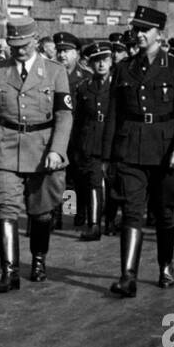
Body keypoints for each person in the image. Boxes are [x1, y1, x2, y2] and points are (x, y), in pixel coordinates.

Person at [0, 16, 73, 290]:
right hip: (4, 147)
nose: (19, 50)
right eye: (14, 44)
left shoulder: (54, 71)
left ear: (36, 41)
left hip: (42, 150)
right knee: (6, 209)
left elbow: (64, 116)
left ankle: (38, 260)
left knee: (41, 213)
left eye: (24, 45)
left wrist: (57, 150)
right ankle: (9, 272)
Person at [101, 9, 174, 293]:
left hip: (165, 150)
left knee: (165, 213)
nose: (139, 34)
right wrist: (107, 156)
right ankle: (128, 276)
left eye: (145, 29)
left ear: (160, 34)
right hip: (130, 149)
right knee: (131, 211)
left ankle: (165, 265)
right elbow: (113, 115)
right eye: (136, 29)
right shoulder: (124, 68)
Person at [70, 41, 113, 242]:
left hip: (110, 138)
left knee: (109, 182)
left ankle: (108, 220)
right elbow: (77, 119)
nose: (101, 65)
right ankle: (85, 220)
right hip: (88, 141)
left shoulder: (117, 86)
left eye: (104, 59)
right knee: (86, 181)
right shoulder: (83, 86)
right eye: (96, 61)